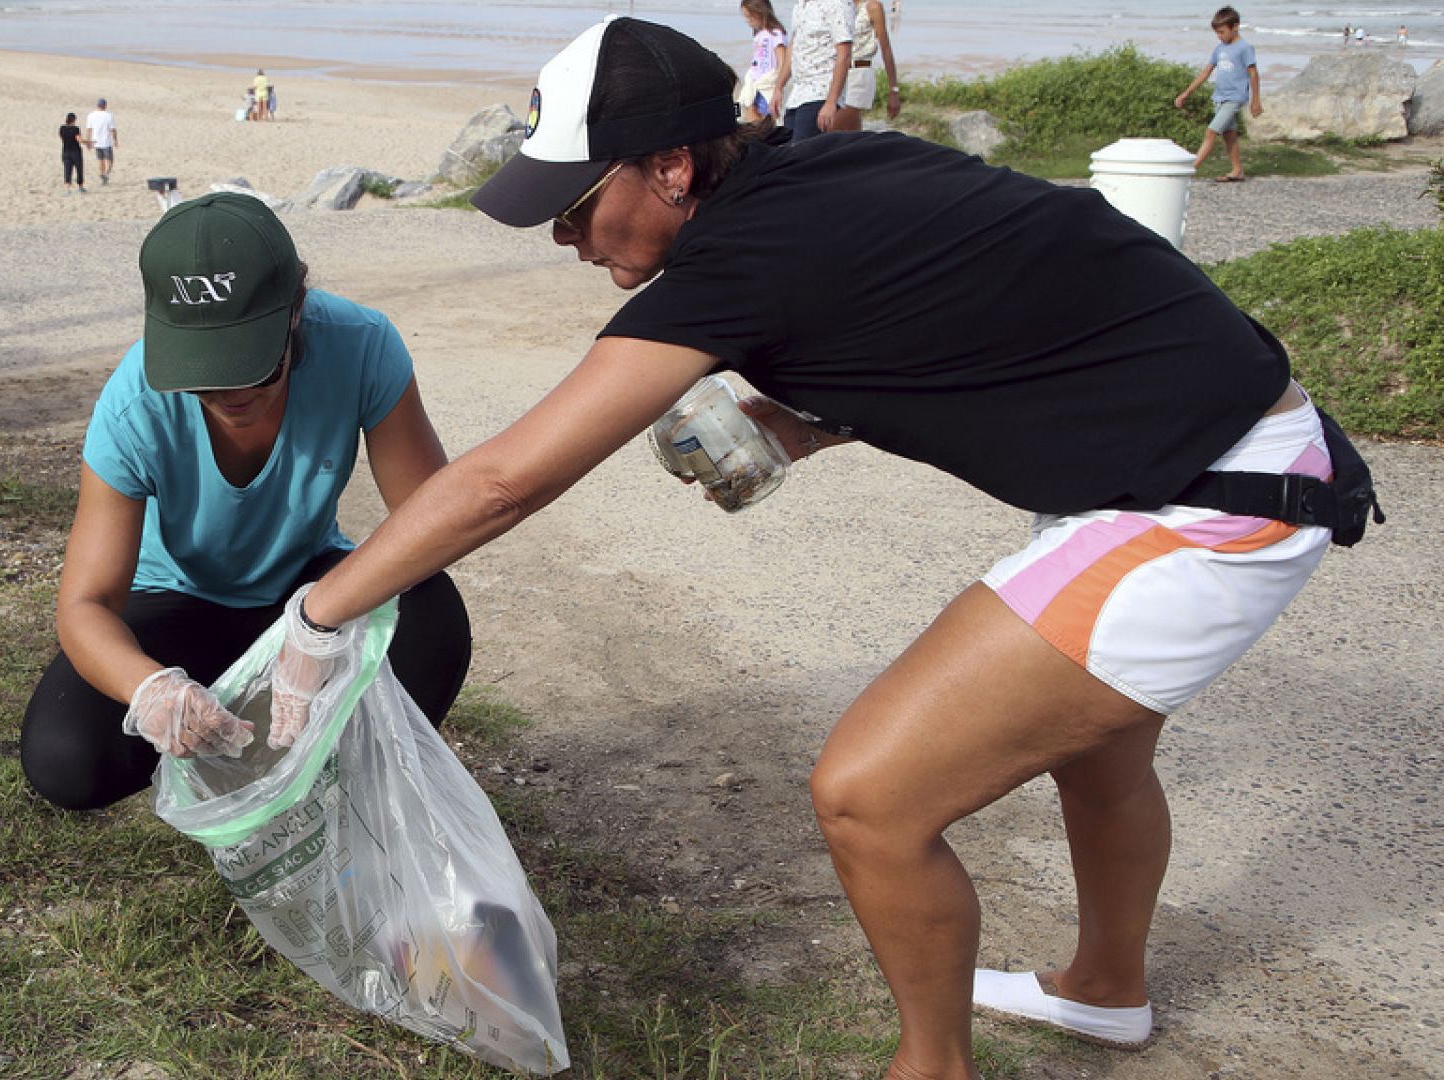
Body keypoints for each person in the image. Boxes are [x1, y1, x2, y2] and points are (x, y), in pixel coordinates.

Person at [273, 16, 1359, 1079]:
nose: (567, 239)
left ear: (671, 166)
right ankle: (1105, 992)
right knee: (1099, 747)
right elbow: (978, 310)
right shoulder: (818, 168)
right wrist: (807, 422)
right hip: (1212, 444)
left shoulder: (747, 256)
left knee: (870, 798)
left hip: (1210, 502)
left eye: (576, 207)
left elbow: (508, 480)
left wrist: (320, 617)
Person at [20, 193, 472, 810]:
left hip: (306, 588)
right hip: (175, 601)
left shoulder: (360, 345)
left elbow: (433, 519)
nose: (231, 394)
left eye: (256, 367)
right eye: (203, 373)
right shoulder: (134, 403)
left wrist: (319, 622)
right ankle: (245, 764)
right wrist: (150, 687)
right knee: (65, 760)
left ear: (296, 312)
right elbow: (85, 603)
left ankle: (342, 781)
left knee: (430, 615)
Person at [1176, 6, 1261, 183]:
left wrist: (1255, 101)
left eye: (1222, 32)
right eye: (1217, 33)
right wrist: (1186, 93)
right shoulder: (1220, 48)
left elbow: (1253, 74)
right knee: (1229, 136)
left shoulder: (1244, 48)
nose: (1219, 36)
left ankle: (1191, 170)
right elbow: (1206, 72)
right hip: (1219, 97)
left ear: (1235, 27)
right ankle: (1237, 171)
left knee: (1210, 132)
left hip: (1234, 97)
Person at [781, 0, 853, 138]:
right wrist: (779, 86)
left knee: (803, 153)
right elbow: (793, 47)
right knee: (788, 151)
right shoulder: (800, 6)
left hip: (821, 91)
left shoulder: (837, 4)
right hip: (797, 94)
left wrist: (831, 102)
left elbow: (844, 54)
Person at [835, 0, 902, 129]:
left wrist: (893, 90)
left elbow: (886, 49)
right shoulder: (839, 5)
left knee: (829, 131)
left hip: (859, 75)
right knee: (850, 139)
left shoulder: (872, 7)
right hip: (838, 76)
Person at [85, 97, 118, 184]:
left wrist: (88, 142)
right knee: (110, 160)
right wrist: (115, 140)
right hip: (106, 142)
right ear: (105, 106)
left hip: (96, 142)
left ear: (98, 105)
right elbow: (113, 130)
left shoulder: (91, 115)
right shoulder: (109, 115)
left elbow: (89, 129)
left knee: (101, 160)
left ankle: (102, 174)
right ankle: (106, 174)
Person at [59, 111, 86, 195]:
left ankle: (68, 189)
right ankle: (80, 188)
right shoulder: (76, 129)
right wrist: (88, 142)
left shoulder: (62, 128)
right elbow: (79, 140)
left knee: (67, 170)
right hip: (75, 152)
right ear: (74, 120)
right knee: (79, 169)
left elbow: (61, 137)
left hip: (66, 151)